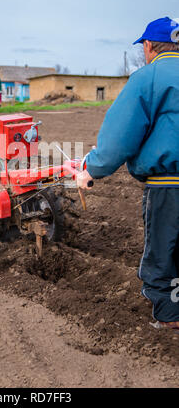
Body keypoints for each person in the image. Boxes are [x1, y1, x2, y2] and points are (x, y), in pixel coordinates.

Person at [77, 17, 179, 331]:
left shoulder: (148, 78)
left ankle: (170, 319)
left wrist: (91, 169)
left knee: (164, 254)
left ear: (149, 46)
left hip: (169, 185)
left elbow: (120, 137)